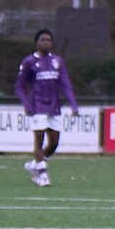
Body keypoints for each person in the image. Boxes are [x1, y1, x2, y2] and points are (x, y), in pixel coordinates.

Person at [14, 28, 79, 187]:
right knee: (39, 140)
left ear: (52, 43)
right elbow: (19, 86)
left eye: (48, 40)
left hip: (54, 106)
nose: (45, 42)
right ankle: (42, 175)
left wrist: (73, 105)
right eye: (42, 40)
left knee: (54, 143)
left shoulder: (57, 61)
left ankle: (35, 164)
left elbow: (65, 84)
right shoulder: (29, 62)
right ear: (36, 42)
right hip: (37, 106)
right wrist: (26, 104)